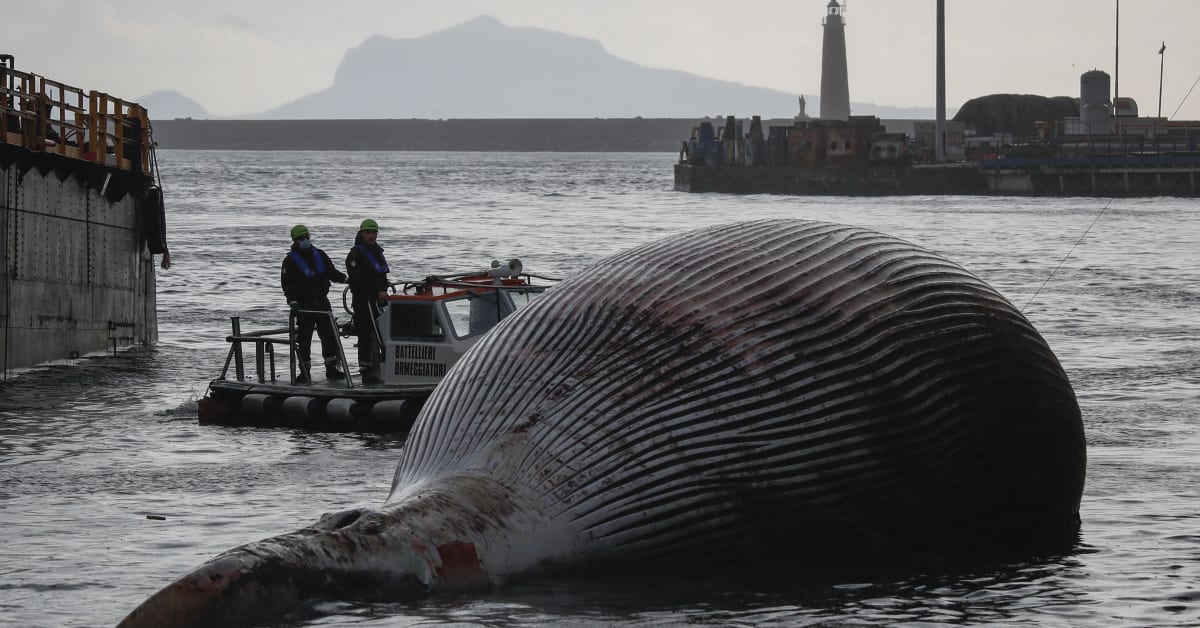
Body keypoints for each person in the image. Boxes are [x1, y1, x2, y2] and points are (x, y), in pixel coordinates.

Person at [280, 224, 347, 383]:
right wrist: (293, 302)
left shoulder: (320, 255)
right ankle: (304, 371)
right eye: (301, 238)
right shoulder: (289, 261)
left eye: (307, 237)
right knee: (304, 340)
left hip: (322, 302)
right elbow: (287, 285)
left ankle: (331, 368)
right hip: (304, 306)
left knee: (329, 336)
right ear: (295, 241)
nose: (305, 240)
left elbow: (331, 272)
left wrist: (347, 279)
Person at [345, 218, 390, 384]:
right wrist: (375, 291)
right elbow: (358, 281)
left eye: (373, 233)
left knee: (380, 331)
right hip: (363, 301)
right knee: (365, 334)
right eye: (368, 233)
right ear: (361, 233)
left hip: (378, 300)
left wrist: (383, 290)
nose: (371, 236)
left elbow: (382, 275)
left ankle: (381, 365)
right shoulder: (354, 255)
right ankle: (366, 370)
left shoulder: (377, 252)